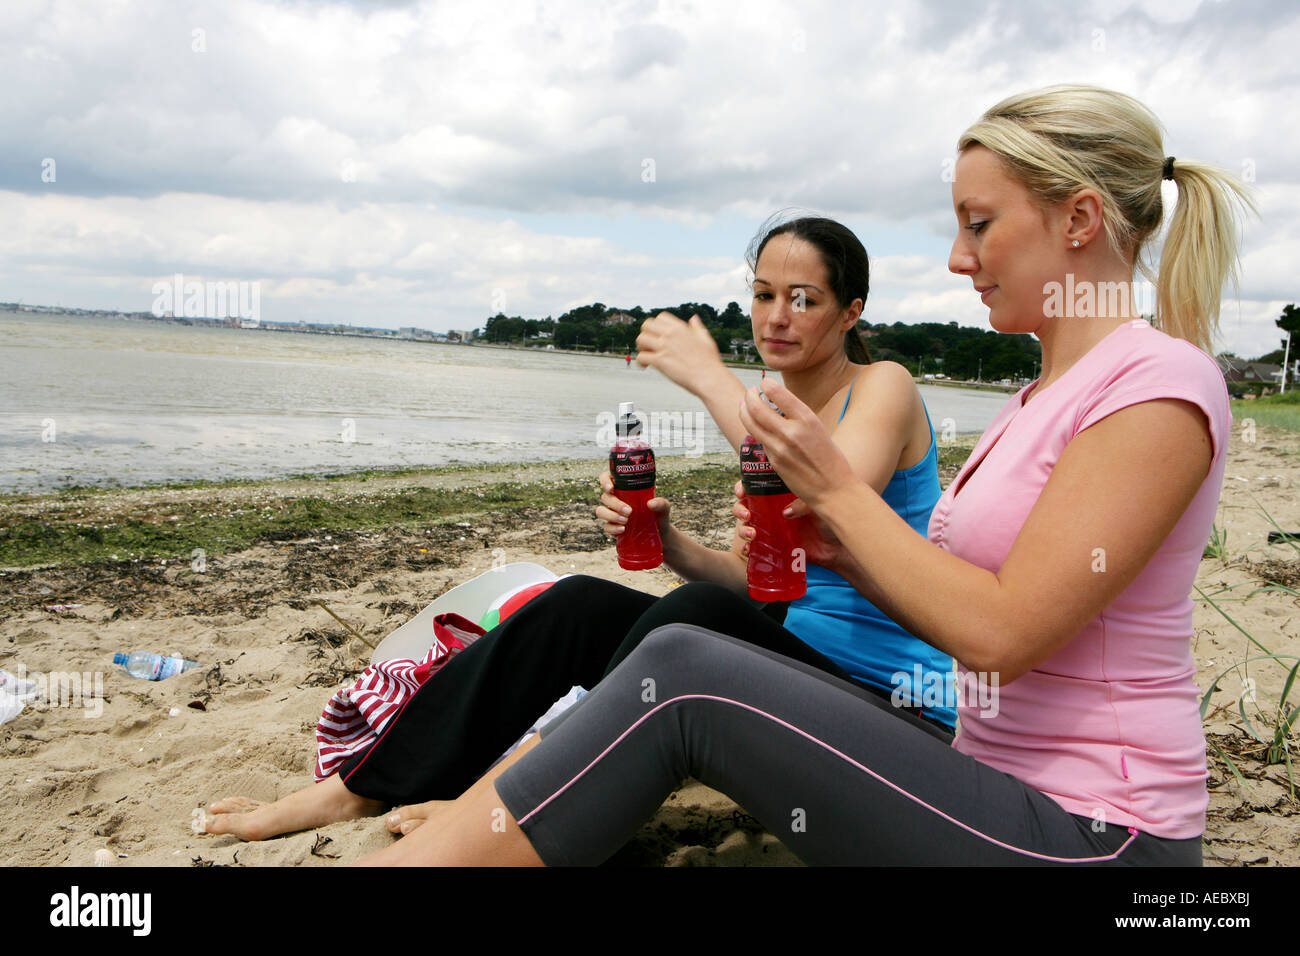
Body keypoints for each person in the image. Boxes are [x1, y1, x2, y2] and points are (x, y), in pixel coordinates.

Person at [353, 84, 1253, 866]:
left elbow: (1003, 634)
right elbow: (958, 598)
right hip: (986, 780)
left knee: (689, 668)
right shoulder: (1035, 401)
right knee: (672, 648)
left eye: (980, 224)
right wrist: (845, 548)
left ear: (1080, 220)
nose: (956, 257)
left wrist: (833, 493)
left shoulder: (1157, 384)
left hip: (1101, 835)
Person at [202, 215, 955, 842]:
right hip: (788, 659)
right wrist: (673, 548)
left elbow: (827, 495)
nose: (777, 317)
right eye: (763, 295)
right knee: (573, 605)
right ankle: (360, 789)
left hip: (881, 701)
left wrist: (707, 377)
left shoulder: (882, 386)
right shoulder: (776, 406)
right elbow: (756, 585)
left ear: (851, 312)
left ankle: (491, 803)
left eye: (804, 298)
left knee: (692, 622)